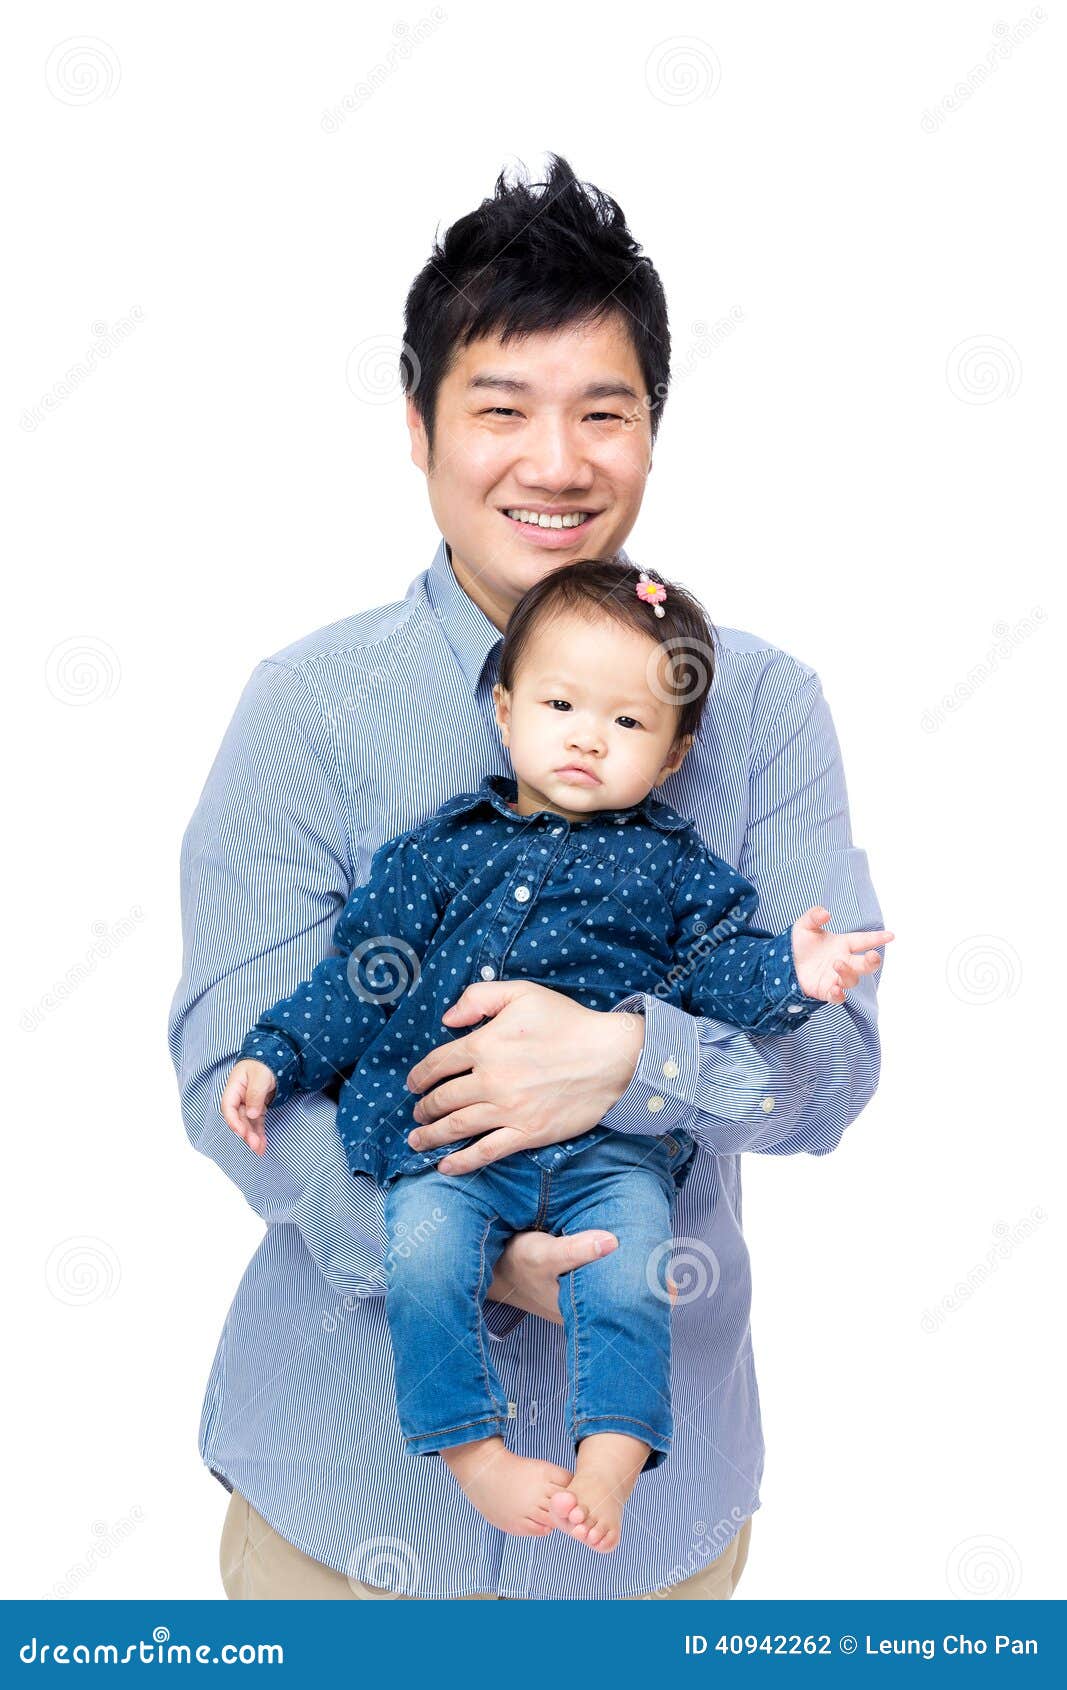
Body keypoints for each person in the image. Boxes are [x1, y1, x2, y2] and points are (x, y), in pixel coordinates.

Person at [167, 153, 886, 1600]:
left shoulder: (755, 705)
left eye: (600, 412)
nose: (552, 463)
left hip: (652, 1549)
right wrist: (448, 1247)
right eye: (499, 408)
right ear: (420, 424)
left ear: (649, 432)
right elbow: (229, 1075)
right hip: (337, 1505)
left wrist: (635, 1057)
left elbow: (829, 1069)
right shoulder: (309, 708)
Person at [220, 557, 891, 1555]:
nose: (586, 733)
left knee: (625, 1274)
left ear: (671, 756)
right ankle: (471, 1451)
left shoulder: (675, 873)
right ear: (504, 709)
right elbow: (365, 974)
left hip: (607, 1154)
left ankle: (613, 1454)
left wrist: (797, 970)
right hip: (445, 1143)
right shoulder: (439, 852)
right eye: (560, 702)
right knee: (427, 1256)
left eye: (626, 722)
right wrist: (275, 1052)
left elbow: (720, 971)